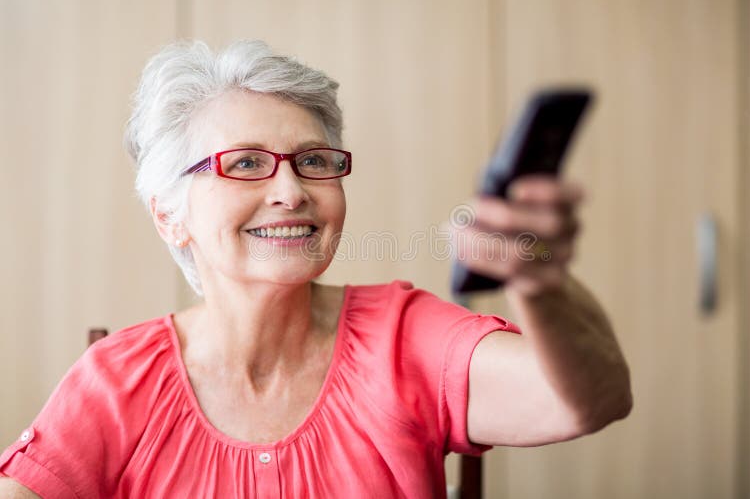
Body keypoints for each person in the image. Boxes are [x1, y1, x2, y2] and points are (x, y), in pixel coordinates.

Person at [0, 40, 632, 498]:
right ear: (170, 215)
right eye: (245, 163)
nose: (291, 191)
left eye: (313, 161)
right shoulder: (118, 383)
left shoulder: (402, 338)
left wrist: (539, 281)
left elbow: (586, 403)